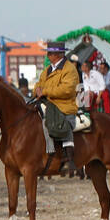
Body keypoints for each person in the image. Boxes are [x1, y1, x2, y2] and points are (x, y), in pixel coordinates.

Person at [34, 40, 80, 174]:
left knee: (61, 125)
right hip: (48, 105)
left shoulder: (70, 69)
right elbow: (39, 84)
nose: (48, 55)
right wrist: (36, 91)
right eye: (48, 53)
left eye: (50, 53)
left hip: (64, 107)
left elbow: (67, 90)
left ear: (59, 54)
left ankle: (69, 160)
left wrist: (45, 91)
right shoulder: (47, 70)